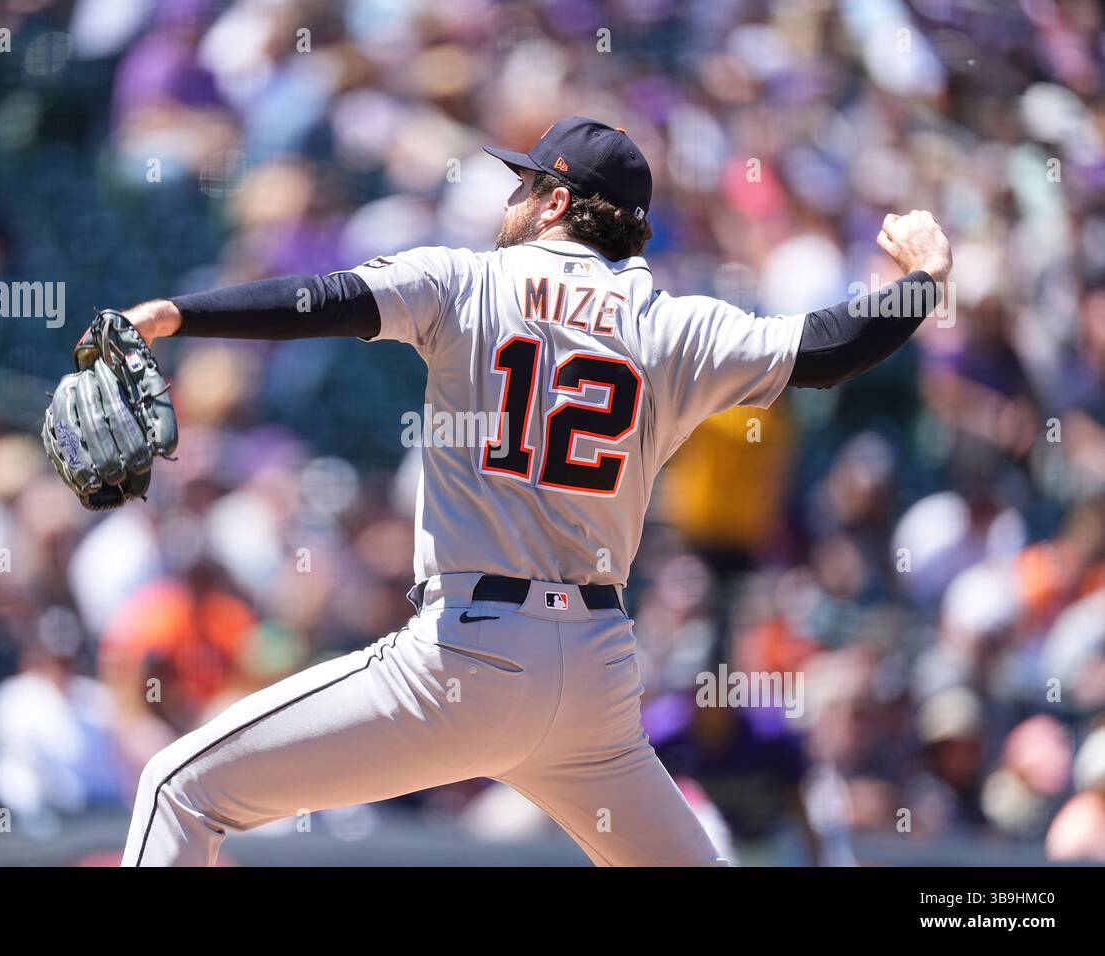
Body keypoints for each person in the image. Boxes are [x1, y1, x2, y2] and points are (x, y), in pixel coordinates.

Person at [116, 117, 952, 866]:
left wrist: (177, 315)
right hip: (594, 678)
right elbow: (832, 349)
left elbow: (323, 299)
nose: (511, 201)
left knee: (178, 789)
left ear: (556, 202)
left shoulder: (468, 280)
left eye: (525, 185)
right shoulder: (675, 324)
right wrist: (925, 278)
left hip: (466, 655)